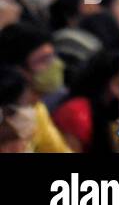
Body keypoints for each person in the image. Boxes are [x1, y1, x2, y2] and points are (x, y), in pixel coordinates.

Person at [0, 22, 71, 152]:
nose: (54, 66)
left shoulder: (37, 109)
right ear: (16, 68)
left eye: (53, 57)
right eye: (43, 60)